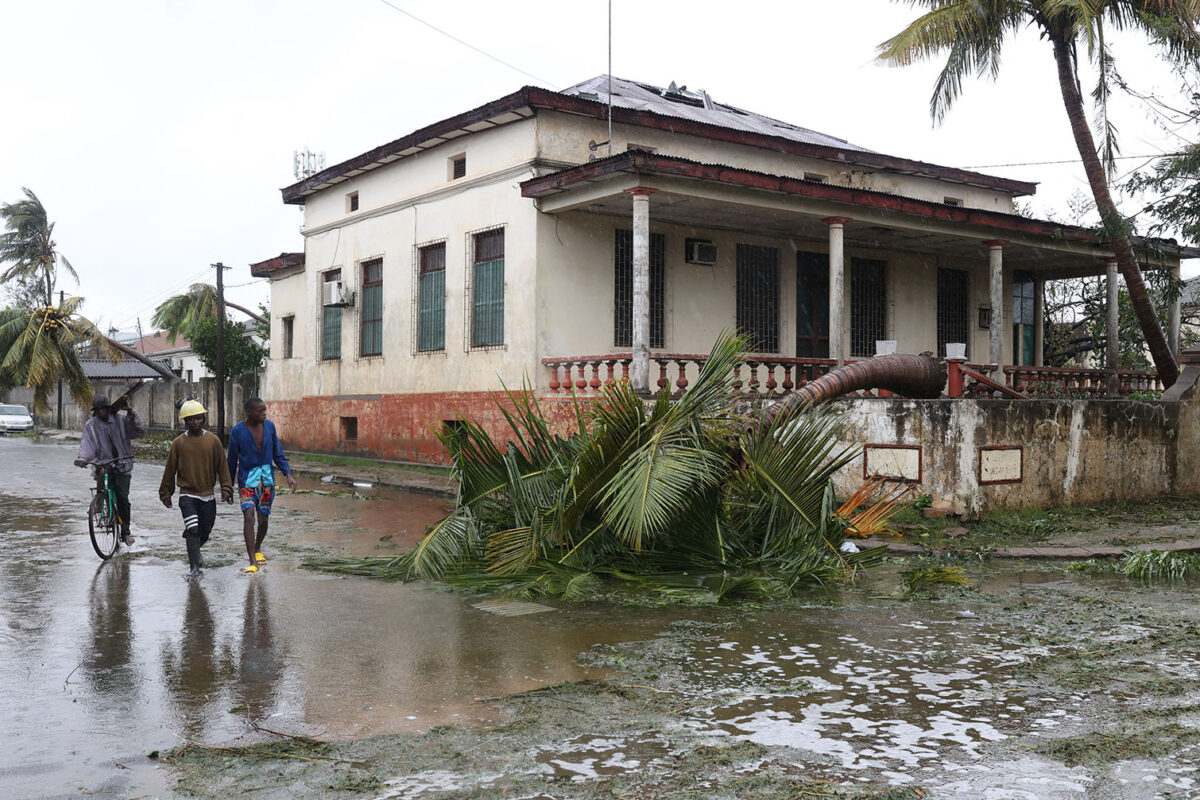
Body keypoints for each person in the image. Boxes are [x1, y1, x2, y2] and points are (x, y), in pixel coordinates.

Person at [159, 400, 233, 580]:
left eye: (198, 418)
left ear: (204, 419)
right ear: (185, 421)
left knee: (205, 531)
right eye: (191, 419)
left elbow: (222, 466)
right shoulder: (178, 443)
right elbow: (170, 469)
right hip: (187, 495)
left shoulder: (213, 441)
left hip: (207, 495)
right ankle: (194, 567)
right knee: (192, 529)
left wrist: (226, 488)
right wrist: (165, 493)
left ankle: (195, 552)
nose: (195, 422)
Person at [227, 397, 296, 574]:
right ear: (249, 412)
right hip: (247, 481)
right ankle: (252, 561)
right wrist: (227, 486)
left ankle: (257, 548)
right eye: (260, 411)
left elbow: (278, 453)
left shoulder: (270, 427)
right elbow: (231, 459)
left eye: (265, 410)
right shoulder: (237, 431)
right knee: (249, 516)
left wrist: (288, 474)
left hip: (266, 482)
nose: (264, 413)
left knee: (263, 519)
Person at [74, 393, 146, 546]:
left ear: (108, 408)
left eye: (103, 409)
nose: (101, 412)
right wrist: (83, 459)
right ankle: (99, 504)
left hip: (123, 464)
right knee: (101, 474)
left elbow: (139, 430)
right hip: (103, 464)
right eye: (98, 410)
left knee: (123, 498)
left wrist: (130, 413)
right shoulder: (91, 425)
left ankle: (126, 532)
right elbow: (87, 444)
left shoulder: (121, 420)